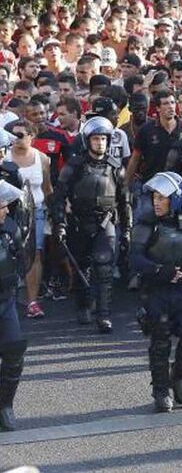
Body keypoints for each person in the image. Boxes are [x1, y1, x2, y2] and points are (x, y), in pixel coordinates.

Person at [130, 172, 182, 413]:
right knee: (160, 340)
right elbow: (134, 258)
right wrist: (160, 270)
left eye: (162, 197)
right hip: (156, 289)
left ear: (176, 198)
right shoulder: (146, 222)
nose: (156, 202)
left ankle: (178, 375)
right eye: (154, 197)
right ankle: (161, 390)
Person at [50, 116, 131, 333]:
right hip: (78, 222)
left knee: (104, 267)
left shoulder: (116, 168)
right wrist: (59, 224)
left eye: (104, 139)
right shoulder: (74, 165)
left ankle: (104, 315)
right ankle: (84, 304)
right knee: (81, 267)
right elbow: (58, 196)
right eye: (96, 139)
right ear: (88, 140)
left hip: (105, 222)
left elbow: (125, 201)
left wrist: (127, 229)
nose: (100, 143)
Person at [5, 122, 52, 319]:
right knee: (7, 255)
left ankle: (32, 301)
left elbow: (47, 188)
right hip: (9, 212)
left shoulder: (41, 158)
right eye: (12, 135)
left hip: (35, 211)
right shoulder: (4, 157)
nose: (16, 138)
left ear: (31, 135)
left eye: (20, 134)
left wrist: (55, 212)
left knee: (35, 254)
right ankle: (8, 299)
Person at [0, 181, 27, 431]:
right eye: (1, 206)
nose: (6, 210)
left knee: (15, 349)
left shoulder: (11, 228)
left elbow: (22, 261)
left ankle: (5, 404)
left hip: (5, 301)